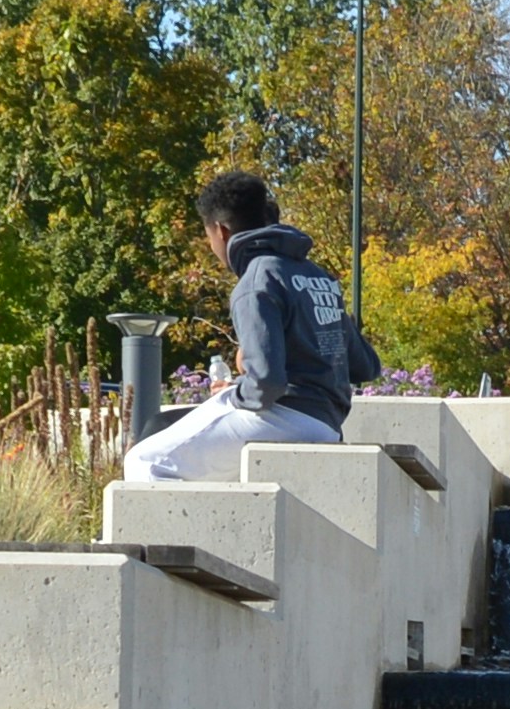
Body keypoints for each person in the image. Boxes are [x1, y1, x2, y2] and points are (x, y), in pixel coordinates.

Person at [124, 171, 374, 483]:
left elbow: (267, 383)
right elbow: (366, 365)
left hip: (284, 417)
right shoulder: (319, 278)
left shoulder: (256, 282)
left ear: (221, 231)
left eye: (208, 237)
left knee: (145, 462)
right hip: (326, 421)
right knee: (180, 445)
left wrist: (239, 392)